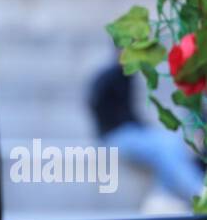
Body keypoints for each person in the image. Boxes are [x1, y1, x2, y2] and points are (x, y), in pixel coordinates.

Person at [87, 55, 203, 206]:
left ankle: (167, 196)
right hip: (115, 136)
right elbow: (97, 106)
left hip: (128, 131)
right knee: (163, 147)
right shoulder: (109, 76)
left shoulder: (126, 76)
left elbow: (129, 114)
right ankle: (197, 193)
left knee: (170, 144)